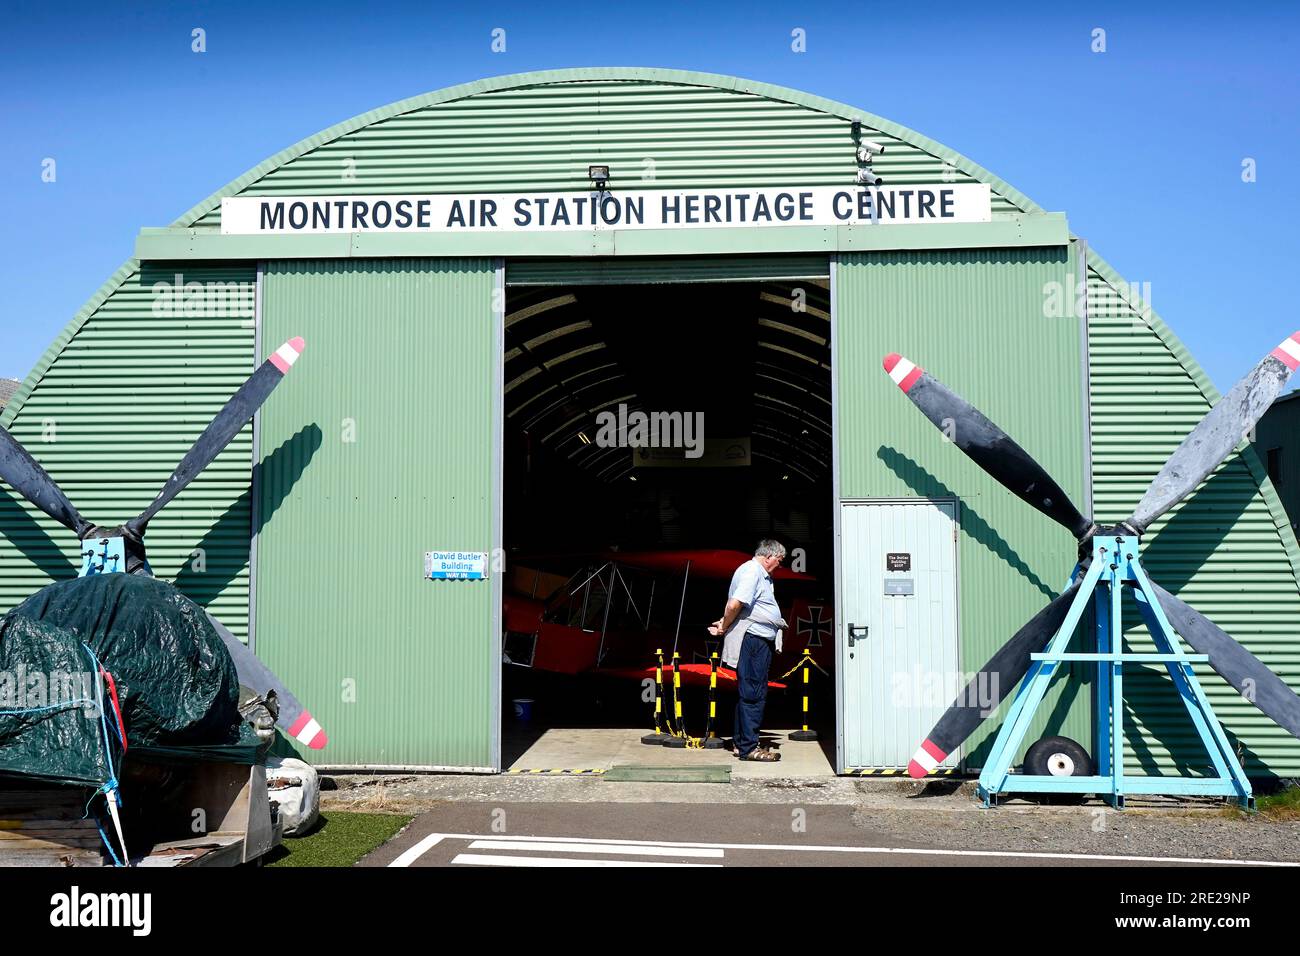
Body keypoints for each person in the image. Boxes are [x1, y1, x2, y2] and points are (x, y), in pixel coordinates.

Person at [709, 540, 787, 761]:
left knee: (749, 692)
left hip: (756, 639)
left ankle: (741, 742)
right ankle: (749, 748)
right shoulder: (752, 572)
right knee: (753, 693)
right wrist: (724, 626)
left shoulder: (756, 573)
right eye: (779, 561)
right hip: (753, 640)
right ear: (769, 556)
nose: (779, 566)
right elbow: (735, 604)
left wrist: (724, 622)